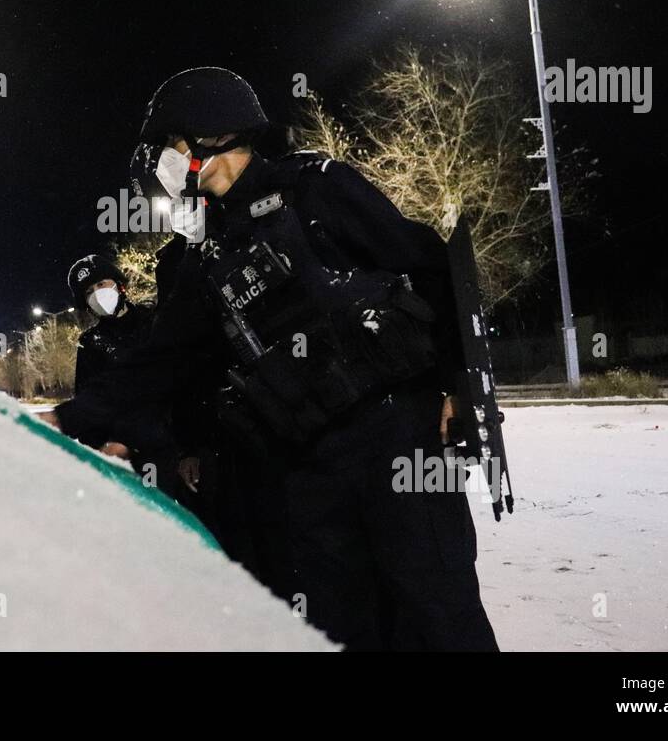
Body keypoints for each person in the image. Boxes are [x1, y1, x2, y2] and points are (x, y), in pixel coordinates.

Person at [41, 66, 498, 650]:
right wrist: (70, 418)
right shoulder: (204, 255)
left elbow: (433, 269)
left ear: (207, 136)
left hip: (398, 441)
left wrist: (458, 385)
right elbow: (163, 360)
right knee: (341, 628)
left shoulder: (317, 188)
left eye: (169, 147)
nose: (163, 164)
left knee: (439, 616)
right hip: (307, 468)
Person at [65, 254, 187, 501]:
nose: (98, 293)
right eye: (89, 291)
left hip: (182, 447)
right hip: (132, 459)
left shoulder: (155, 321)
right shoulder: (90, 346)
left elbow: (181, 379)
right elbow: (88, 409)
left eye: (102, 284)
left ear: (119, 285)